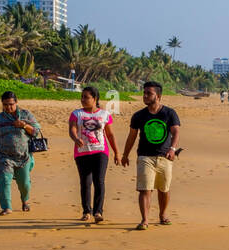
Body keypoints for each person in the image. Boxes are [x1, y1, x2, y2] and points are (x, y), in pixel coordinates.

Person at [120, 81, 181, 230]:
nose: (145, 96)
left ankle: (162, 214)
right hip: (144, 157)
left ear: (158, 96)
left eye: (149, 93)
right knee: (145, 189)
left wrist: (172, 149)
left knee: (164, 189)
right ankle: (145, 220)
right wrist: (125, 154)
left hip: (164, 157)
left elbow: (175, 132)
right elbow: (132, 136)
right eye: (144, 93)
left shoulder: (169, 113)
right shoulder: (139, 116)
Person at [0, 92, 43, 215]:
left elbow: (36, 132)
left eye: (11, 104)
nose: (8, 107)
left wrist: (24, 126)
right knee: (3, 179)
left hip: (23, 156)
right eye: (5, 105)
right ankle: (6, 207)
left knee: (24, 183)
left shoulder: (26, 115)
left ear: (16, 103)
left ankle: (25, 200)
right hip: (4, 156)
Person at [68, 85, 119, 223]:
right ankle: (86, 211)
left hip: (100, 151)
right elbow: (72, 128)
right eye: (82, 97)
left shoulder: (104, 114)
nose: (83, 99)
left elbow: (110, 134)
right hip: (82, 153)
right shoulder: (76, 114)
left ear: (95, 98)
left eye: (86, 97)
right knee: (85, 182)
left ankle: (98, 212)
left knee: (99, 181)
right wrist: (75, 138)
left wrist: (116, 153)